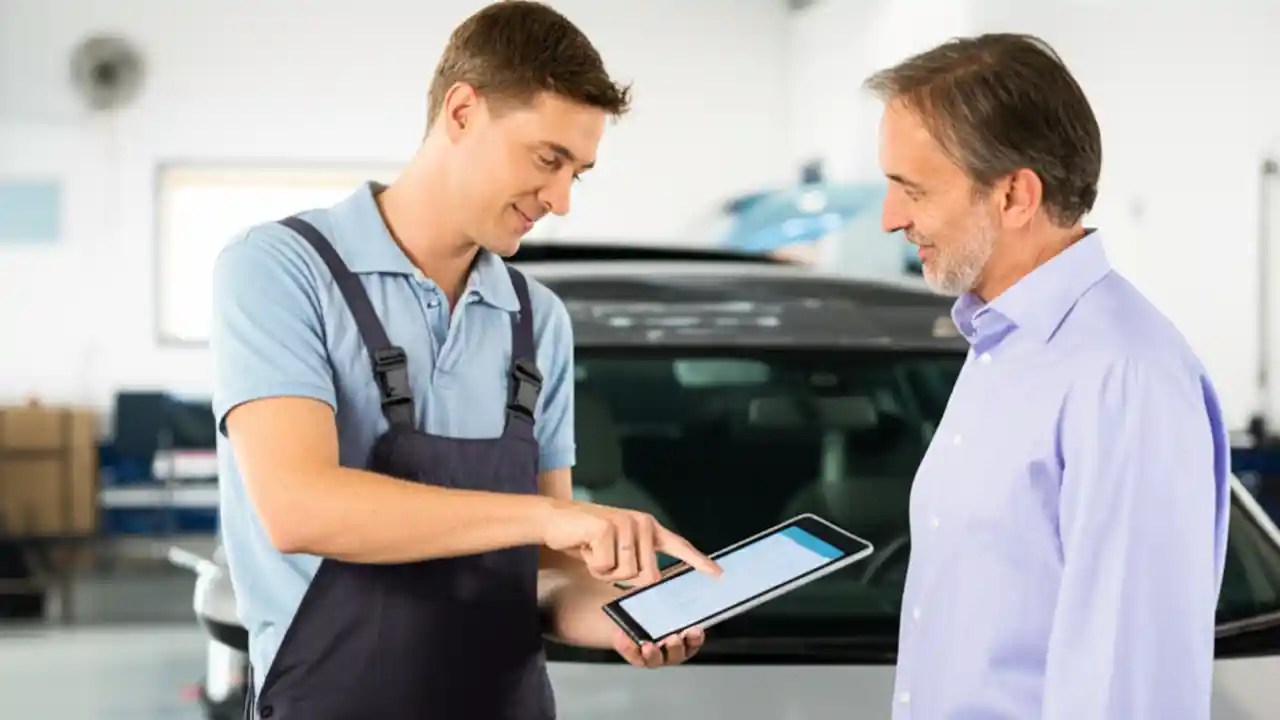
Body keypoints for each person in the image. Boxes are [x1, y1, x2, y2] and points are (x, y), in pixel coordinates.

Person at [210, 3, 721, 718]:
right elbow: (300, 508)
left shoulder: (535, 319)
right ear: (461, 112)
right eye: (548, 160)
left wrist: (619, 618)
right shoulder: (279, 270)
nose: (563, 200)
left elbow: (538, 572)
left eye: (579, 171)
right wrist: (546, 520)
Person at [862, 34, 1230, 719]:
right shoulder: (1002, 343)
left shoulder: (1122, 377)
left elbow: (1129, 686)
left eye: (911, 189)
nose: (891, 219)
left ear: (1014, 195)